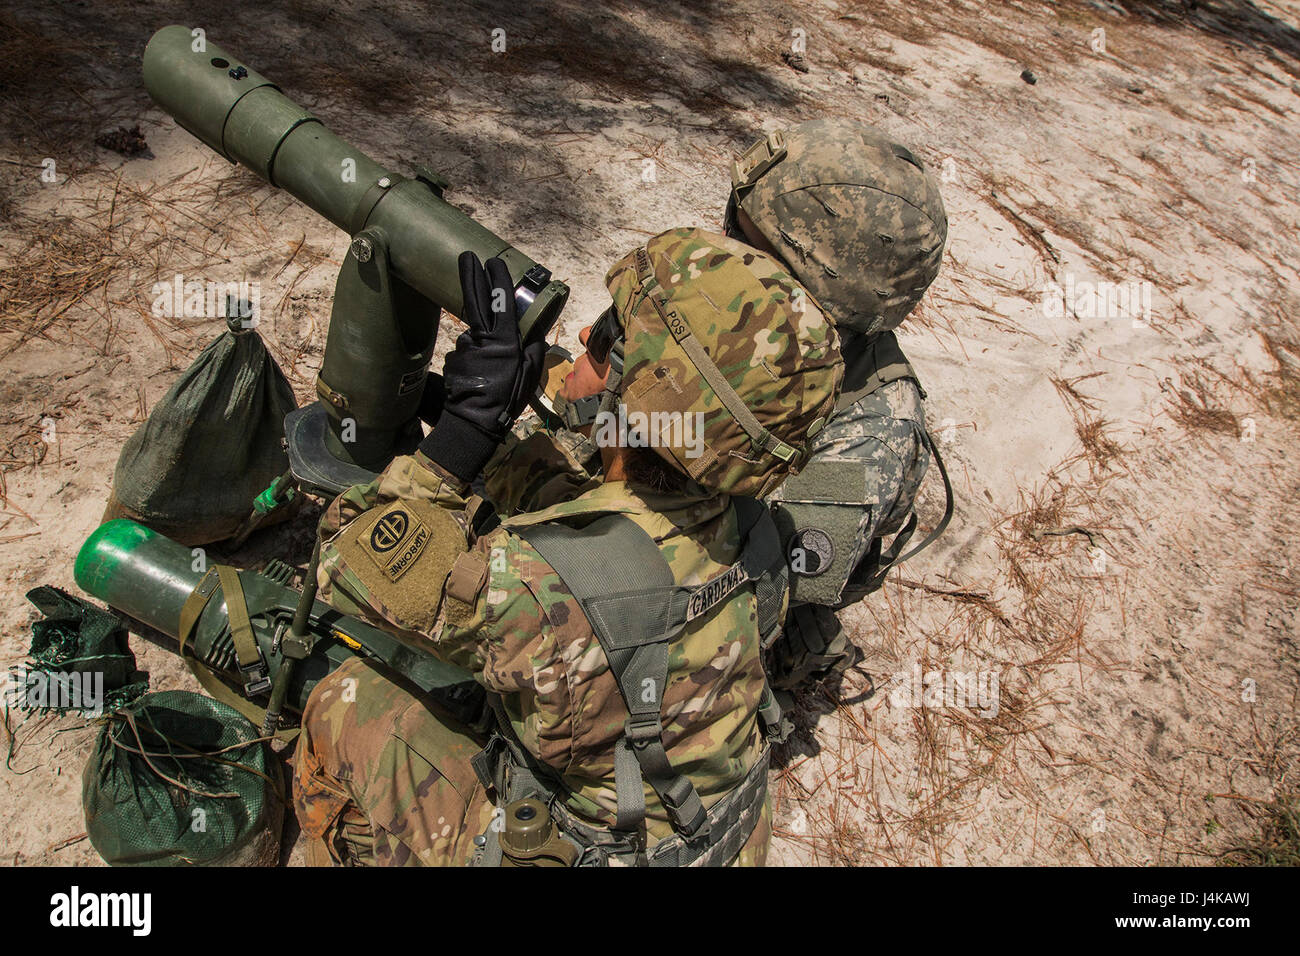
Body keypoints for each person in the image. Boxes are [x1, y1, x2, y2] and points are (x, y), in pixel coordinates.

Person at [292, 227, 842, 865]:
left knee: (341, 702)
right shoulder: (758, 528)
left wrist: (456, 442)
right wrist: (501, 438)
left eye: (610, 335)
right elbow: (607, 518)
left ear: (647, 391)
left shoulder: (534, 590)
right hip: (722, 835)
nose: (585, 337)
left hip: (600, 849)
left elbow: (347, 552)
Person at [513, 120, 952, 701]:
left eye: (746, 247)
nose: (721, 253)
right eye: (731, 226)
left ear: (816, 296)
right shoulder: (736, 310)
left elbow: (728, 597)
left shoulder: (867, 439)